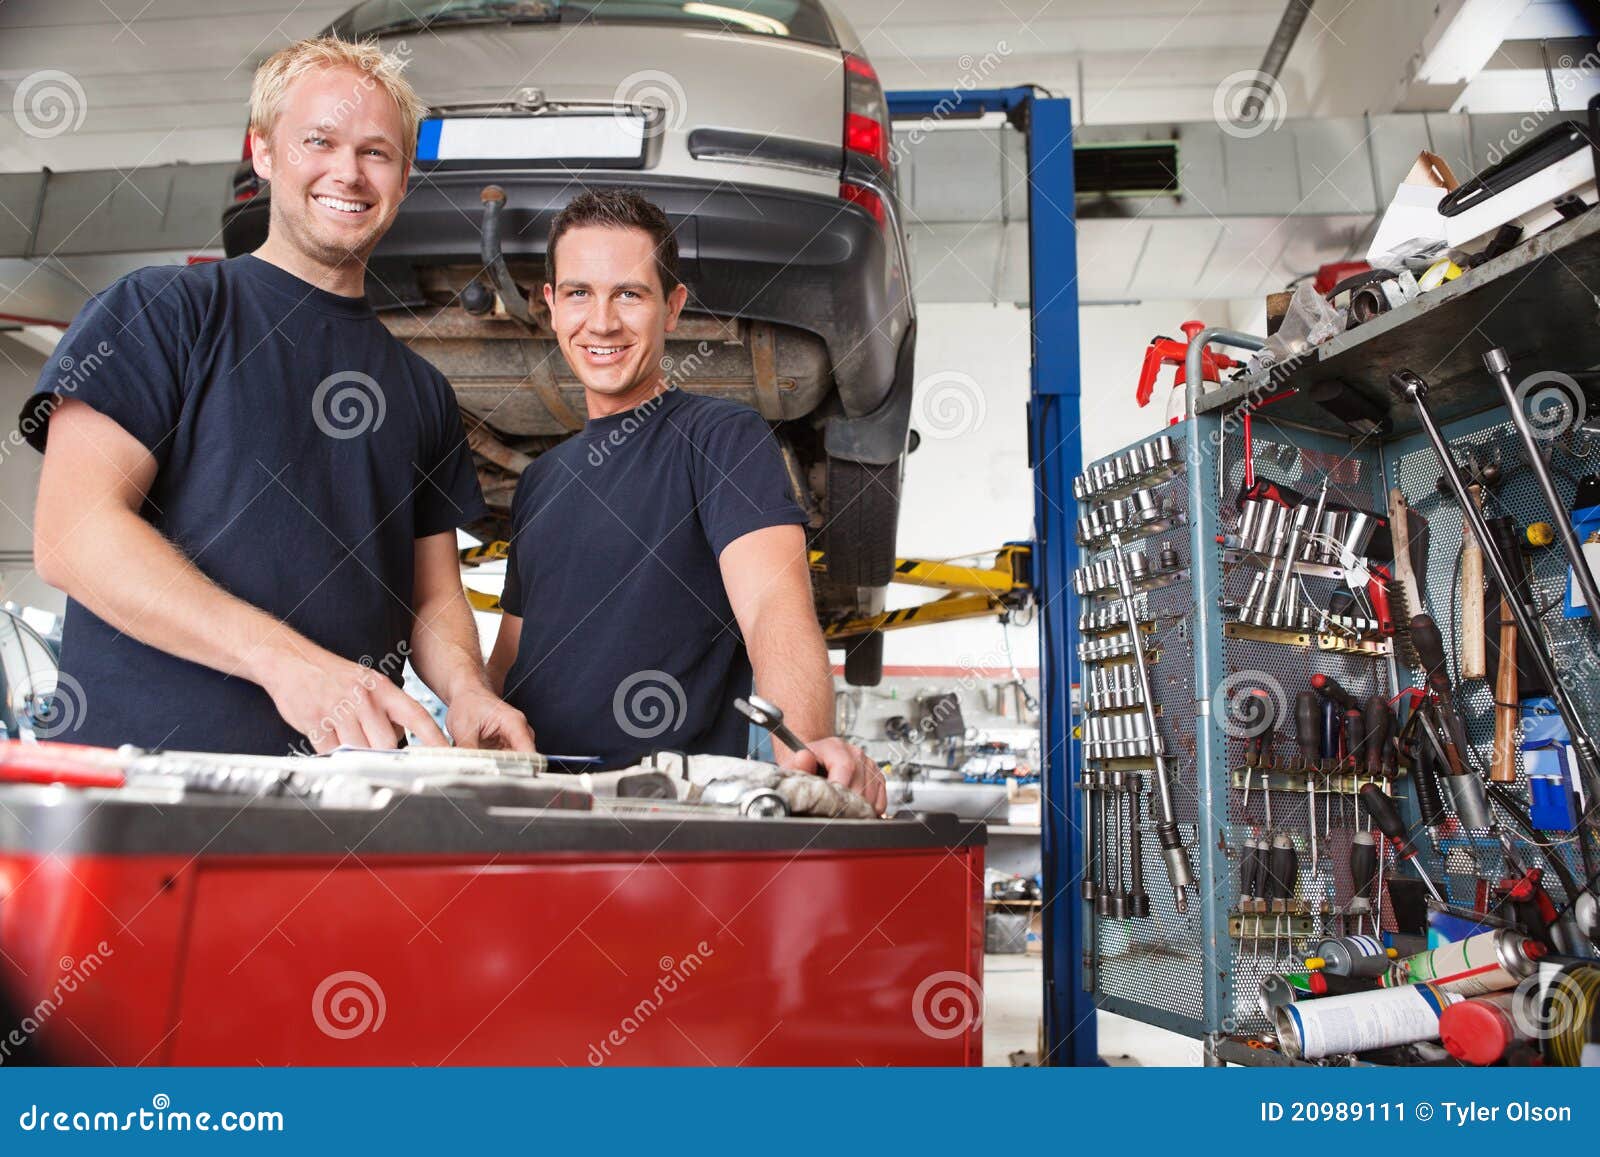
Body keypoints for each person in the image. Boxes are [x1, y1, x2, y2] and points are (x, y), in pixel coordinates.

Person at [23, 37, 533, 756]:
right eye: (318, 141)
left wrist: (469, 689)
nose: (348, 173)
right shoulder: (161, 312)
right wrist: (284, 662)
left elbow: (432, 599)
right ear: (264, 154)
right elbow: (71, 537)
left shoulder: (422, 392)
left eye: (376, 153)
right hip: (141, 797)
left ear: (404, 175)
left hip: (340, 810)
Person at [485, 189, 887, 814]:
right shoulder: (542, 481)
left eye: (629, 294)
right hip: (531, 811)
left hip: (665, 817)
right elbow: (511, 655)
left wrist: (806, 751)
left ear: (672, 308)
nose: (602, 321)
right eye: (578, 293)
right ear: (551, 305)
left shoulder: (722, 440)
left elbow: (774, 611)